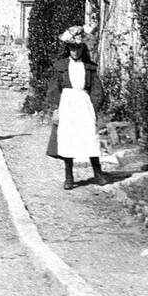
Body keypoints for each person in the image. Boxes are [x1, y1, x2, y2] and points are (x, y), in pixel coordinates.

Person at [46, 26, 106, 189]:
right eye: (72, 48)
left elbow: (96, 89)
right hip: (67, 103)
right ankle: (69, 177)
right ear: (68, 49)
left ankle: (98, 173)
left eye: (78, 48)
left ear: (83, 49)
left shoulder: (89, 67)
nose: (75, 52)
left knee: (89, 137)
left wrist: (93, 108)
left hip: (84, 103)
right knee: (68, 138)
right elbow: (54, 88)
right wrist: (57, 108)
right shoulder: (61, 66)